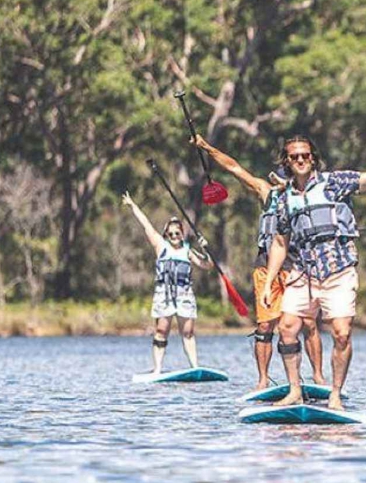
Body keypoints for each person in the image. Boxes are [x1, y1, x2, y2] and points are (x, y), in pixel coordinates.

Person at [260, 134, 366, 410]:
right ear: (287, 161)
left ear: (313, 157)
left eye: (306, 155)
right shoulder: (284, 198)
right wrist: (268, 283)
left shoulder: (334, 183)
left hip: (338, 270)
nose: (301, 160)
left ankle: (335, 394)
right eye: (295, 156)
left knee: (341, 333)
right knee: (287, 328)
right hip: (303, 273)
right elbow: (280, 242)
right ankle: (294, 391)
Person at [193, 134, 325, 391]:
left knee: (308, 323)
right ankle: (263, 380)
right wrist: (207, 147)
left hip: (298, 265)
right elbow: (234, 168)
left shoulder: (307, 191)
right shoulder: (267, 192)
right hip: (267, 264)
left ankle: (318, 377)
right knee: (265, 325)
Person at [122, 192, 211, 373]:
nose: (174, 236)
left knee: (187, 332)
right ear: (166, 235)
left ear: (182, 234)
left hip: (184, 294)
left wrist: (206, 249)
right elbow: (146, 224)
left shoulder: (188, 251)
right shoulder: (161, 246)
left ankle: (194, 367)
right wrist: (132, 205)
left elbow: (207, 265)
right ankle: (157, 369)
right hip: (164, 294)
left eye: (177, 233)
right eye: (170, 234)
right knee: (161, 331)